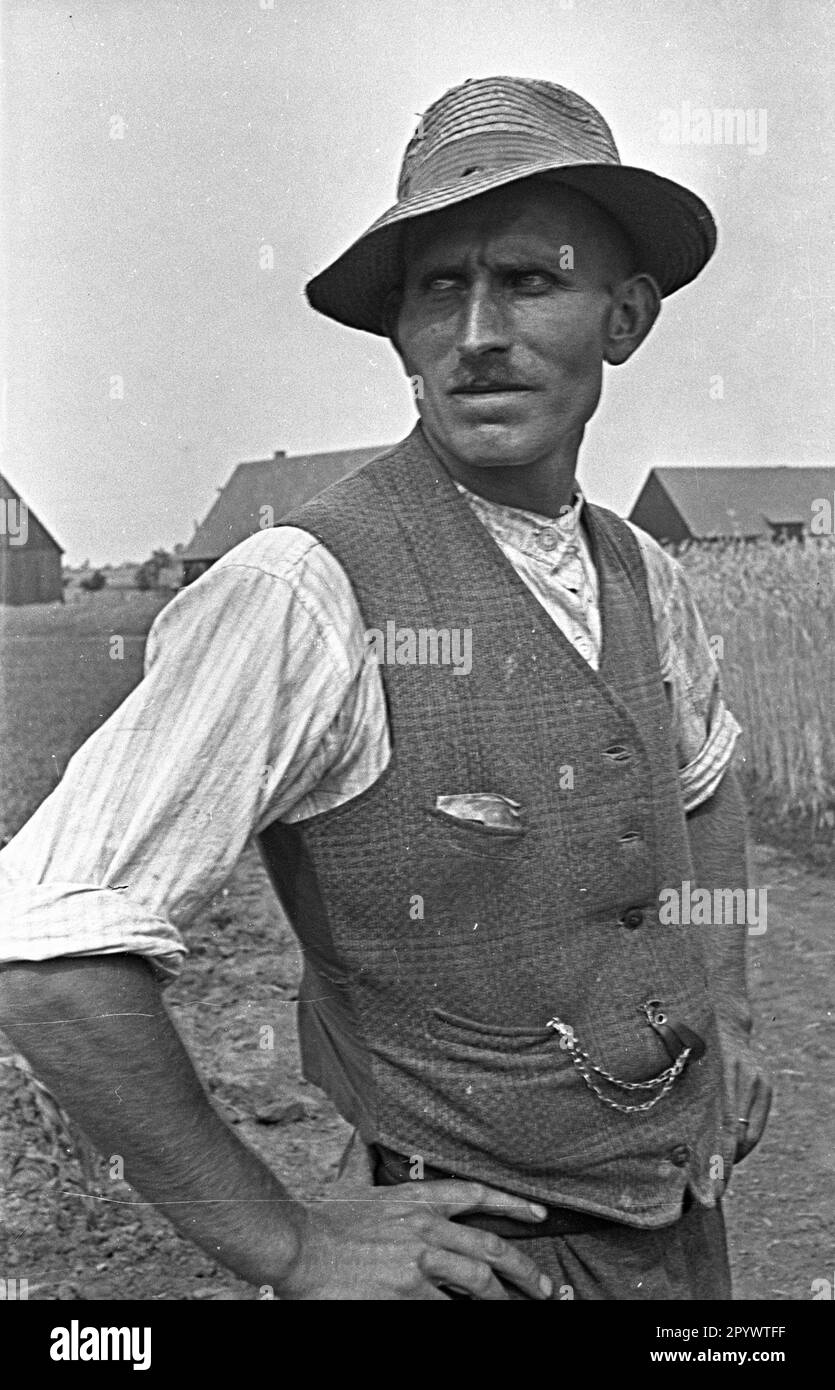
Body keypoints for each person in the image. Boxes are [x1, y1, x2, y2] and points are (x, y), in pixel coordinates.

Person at [0, 76, 771, 1300]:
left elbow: (704, 782)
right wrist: (288, 1241)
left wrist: (723, 1013)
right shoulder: (302, 592)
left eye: (528, 280)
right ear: (400, 331)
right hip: (474, 1262)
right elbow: (46, 946)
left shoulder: (641, 568)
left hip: (681, 1225)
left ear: (623, 318)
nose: (476, 333)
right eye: (437, 289)